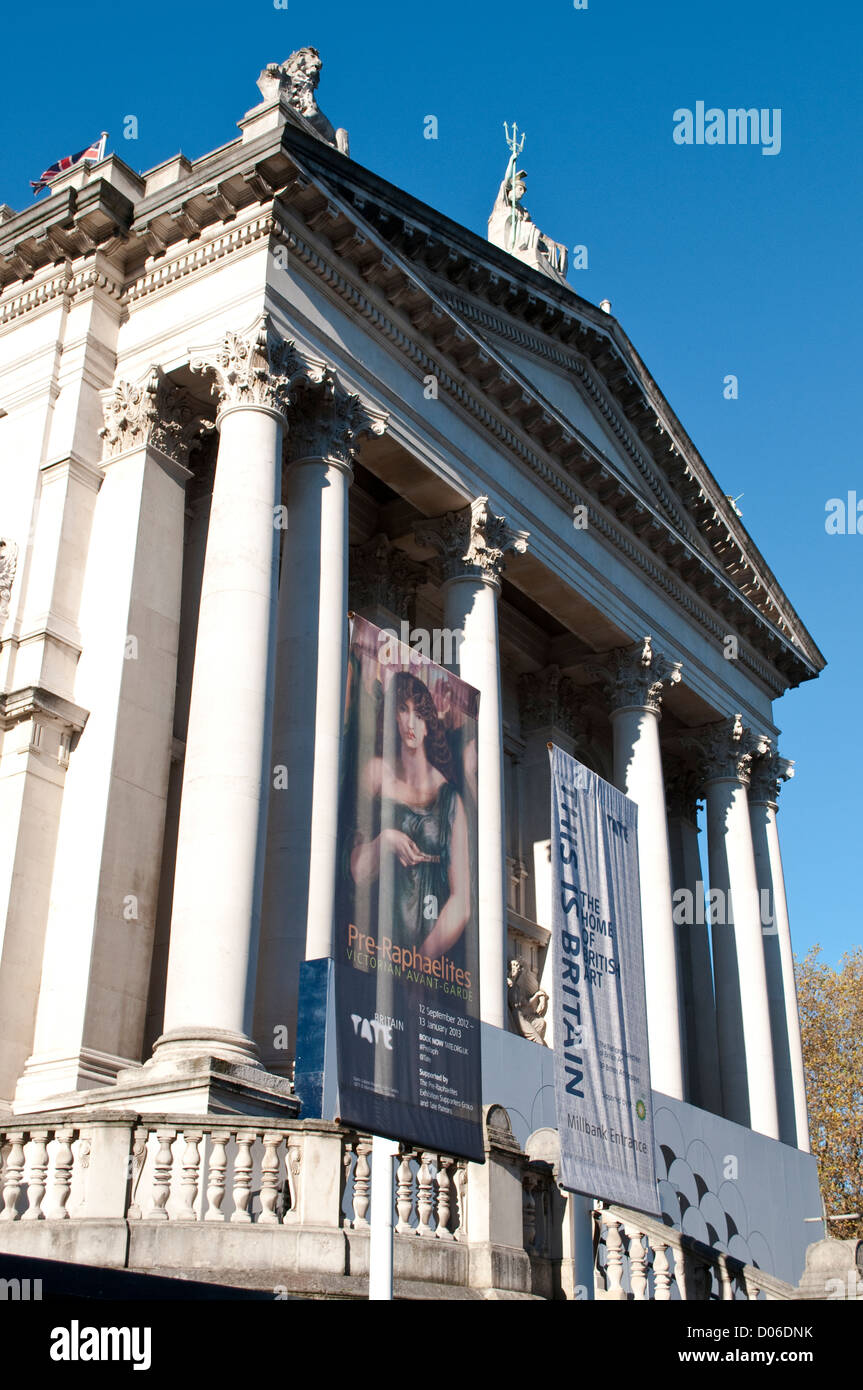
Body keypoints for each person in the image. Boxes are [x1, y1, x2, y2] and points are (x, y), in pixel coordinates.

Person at [350, 671, 470, 960]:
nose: (410, 722)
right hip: (374, 941)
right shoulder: (376, 775)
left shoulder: (451, 799)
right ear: (394, 715)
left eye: (419, 714)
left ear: (429, 724)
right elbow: (356, 870)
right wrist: (386, 841)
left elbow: (462, 901)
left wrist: (421, 961)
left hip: (432, 949)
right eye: (403, 709)